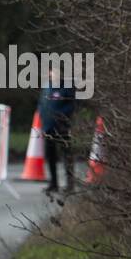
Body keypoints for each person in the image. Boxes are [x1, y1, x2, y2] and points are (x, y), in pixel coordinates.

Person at [39, 67, 76, 195]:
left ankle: (70, 183)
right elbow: (42, 105)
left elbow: (71, 106)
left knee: (66, 155)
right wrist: (43, 120)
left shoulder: (66, 88)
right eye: (50, 73)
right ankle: (53, 182)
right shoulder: (46, 87)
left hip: (62, 127)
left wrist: (61, 118)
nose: (51, 75)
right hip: (48, 127)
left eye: (53, 73)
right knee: (50, 156)